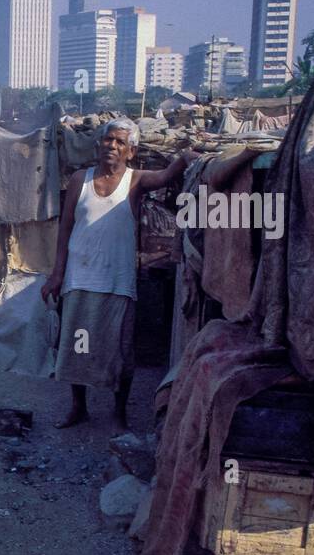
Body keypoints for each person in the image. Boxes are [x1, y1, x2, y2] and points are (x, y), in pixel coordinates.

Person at [41, 118, 198, 430]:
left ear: (131, 151)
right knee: (76, 349)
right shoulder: (79, 181)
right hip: (79, 277)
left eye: (119, 142)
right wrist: (57, 273)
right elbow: (65, 229)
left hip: (117, 281)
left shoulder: (136, 180)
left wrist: (186, 158)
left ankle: (118, 412)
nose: (111, 146)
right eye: (107, 140)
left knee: (120, 351)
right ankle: (78, 407)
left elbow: (167, 176)